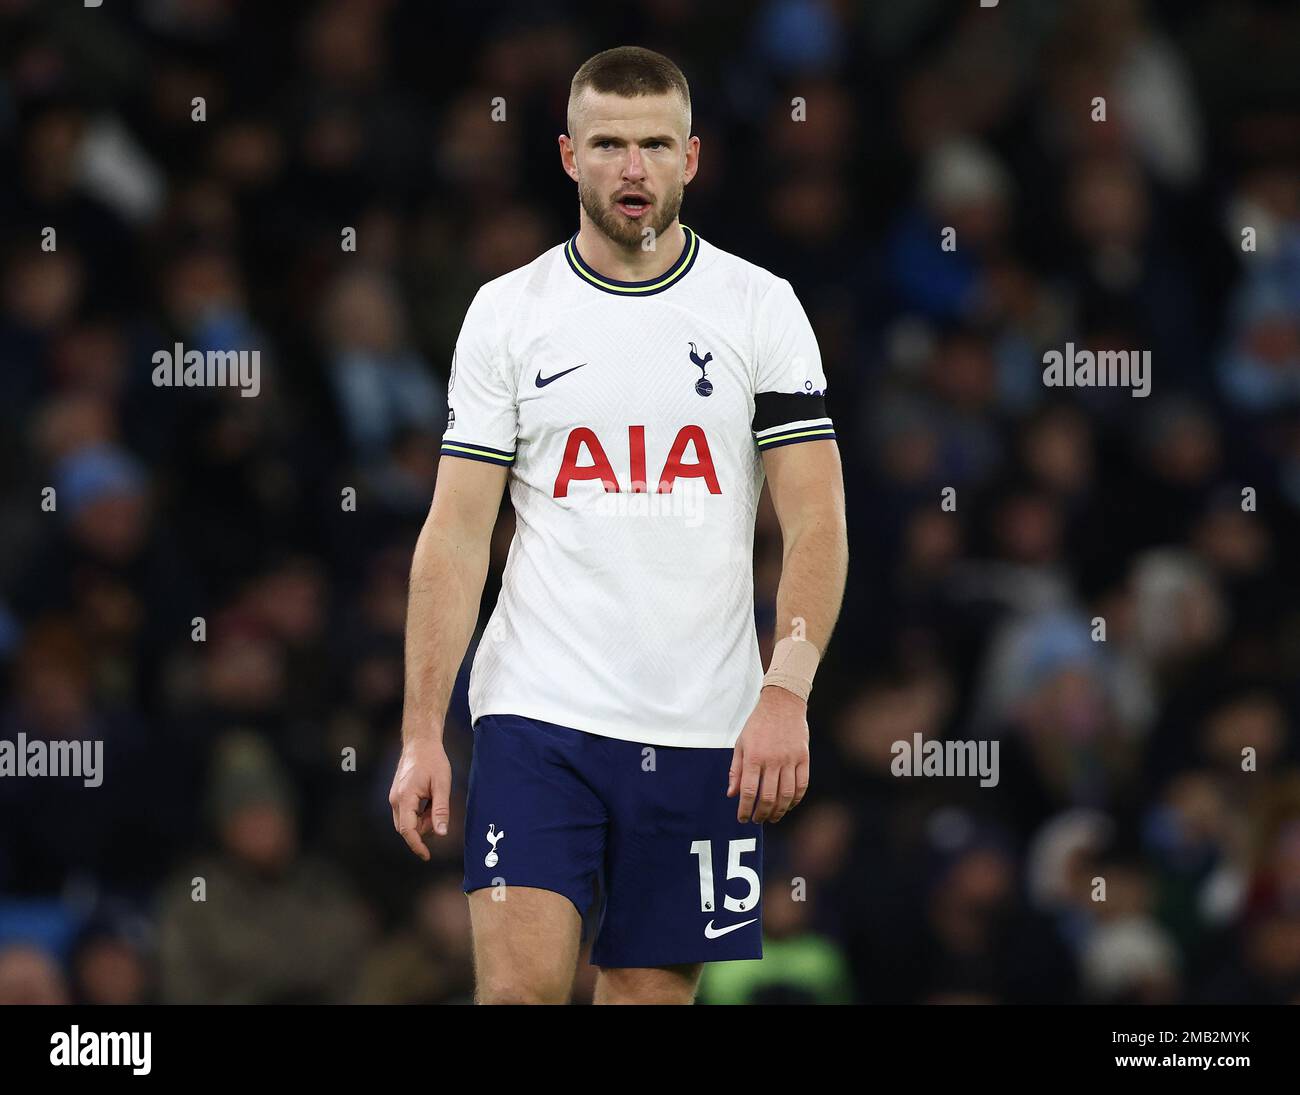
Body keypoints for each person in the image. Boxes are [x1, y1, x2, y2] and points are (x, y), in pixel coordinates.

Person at [388, 45, 848, 1005]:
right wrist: (422, 730)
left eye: (653, 144)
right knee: (517, 993)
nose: (631, 169)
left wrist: (786, 692)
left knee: (647, 993)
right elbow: (456, 532)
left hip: (703, 729)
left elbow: (816, 521)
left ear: (693, 157)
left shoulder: (761, 308)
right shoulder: (507, 313)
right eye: (608, 145)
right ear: (567, 155)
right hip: (536, 714)